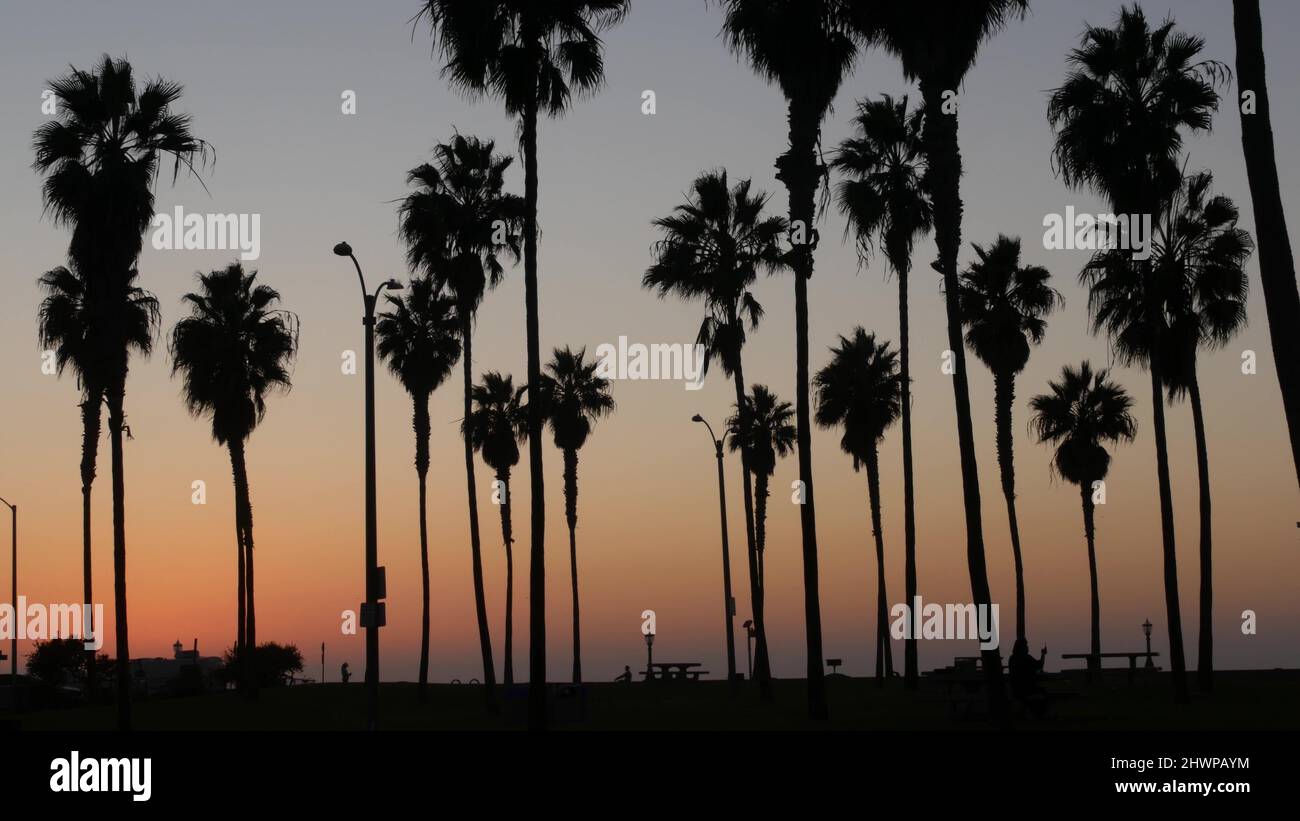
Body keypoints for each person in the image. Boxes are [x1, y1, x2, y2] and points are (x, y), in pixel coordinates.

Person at [1008, 639, 1048, 717]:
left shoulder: (1012, 659)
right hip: (1027, 689)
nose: (1027, 648)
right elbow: (1039, 665)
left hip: (1015, 690)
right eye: (1026, 646)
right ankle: (1039, 714)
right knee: (1044, 693)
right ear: (1023, 648)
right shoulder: (1026, 658)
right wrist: (1043, 654)